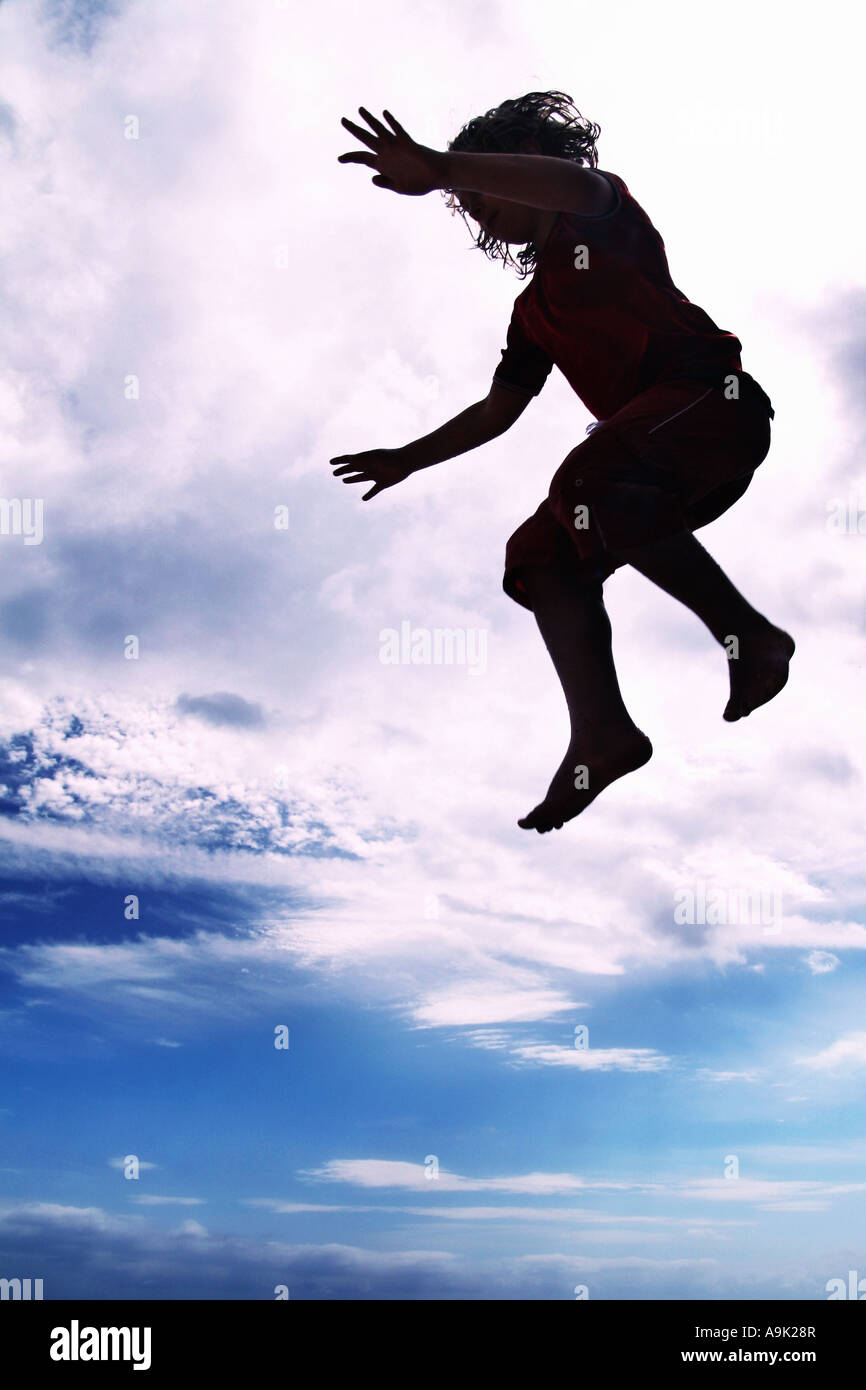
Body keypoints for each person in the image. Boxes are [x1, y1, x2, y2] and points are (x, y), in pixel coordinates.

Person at [331, 92, 794, 833]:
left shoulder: (602, 216)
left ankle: (750, 635)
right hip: (654, 480)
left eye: (486, 185)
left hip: (716, 410)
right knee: (540, 552)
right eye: (466, 199)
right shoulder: (532, 312)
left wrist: (446, 167)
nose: (474, 202)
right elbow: (496, 412)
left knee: (590, 475)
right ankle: (603, 732)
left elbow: (574, 185)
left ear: (532, 167)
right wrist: (407, 459)